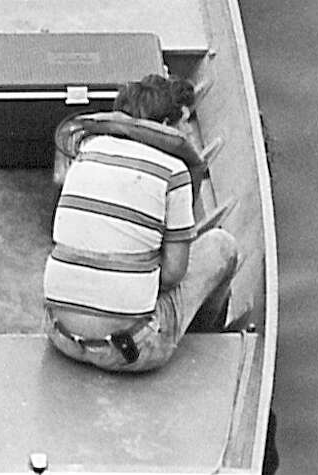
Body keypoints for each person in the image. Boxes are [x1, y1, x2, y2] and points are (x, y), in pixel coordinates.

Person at [43, 73, 239, 373]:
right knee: (221, 247)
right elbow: (173, 274)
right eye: (182, 124)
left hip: (60, 336)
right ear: (163, 127)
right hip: (130, 352)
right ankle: (203, 343)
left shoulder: (85, 152)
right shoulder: (173, 171)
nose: (187, 133)